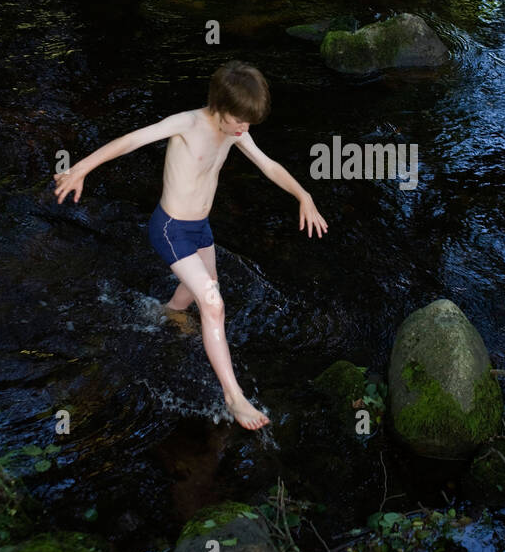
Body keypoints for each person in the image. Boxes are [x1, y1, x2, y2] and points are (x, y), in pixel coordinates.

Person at [52, 61, 327, 430]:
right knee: (213, 302)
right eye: (240, 121)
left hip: (200, 229)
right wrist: (81, 167)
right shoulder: (187, 124)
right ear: (220, 107)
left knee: (197, 287)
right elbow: (131, 140)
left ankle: (163, 316)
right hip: (170, 228)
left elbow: (269, 166)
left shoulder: (236, 131)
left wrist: (303, 194)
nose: (244, 130)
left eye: (248, 123)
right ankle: (235, 398)